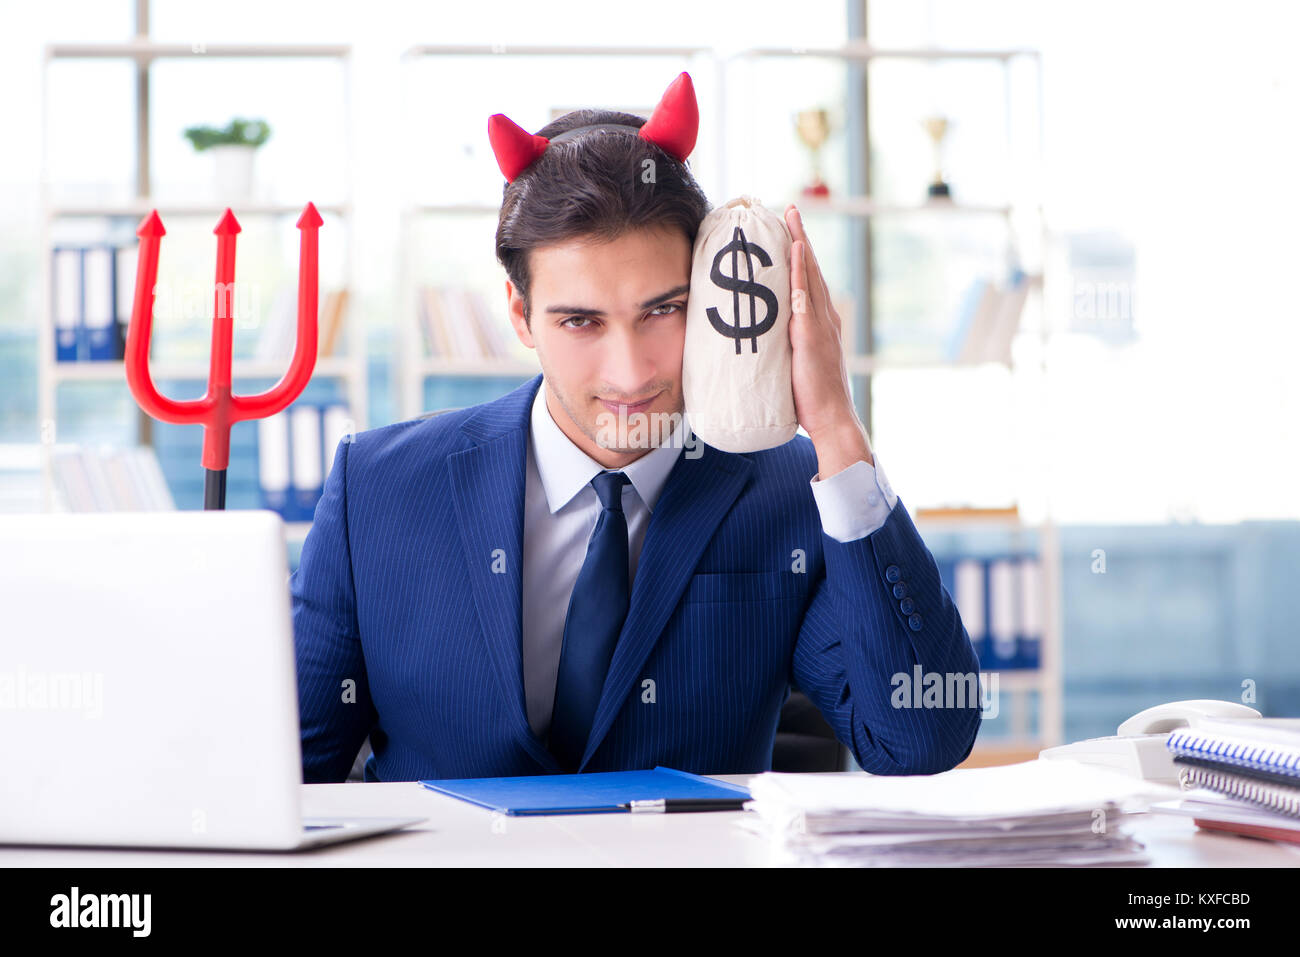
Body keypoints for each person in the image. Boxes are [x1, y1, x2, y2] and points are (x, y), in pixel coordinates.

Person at [292, 73, 981, 782]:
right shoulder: (377, 489)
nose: (630, 373)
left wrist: (836, 425)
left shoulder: (789, 492)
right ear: (520, 314)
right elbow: (287, 776)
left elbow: (919, 740)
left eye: (664, 310)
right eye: (581, 321)